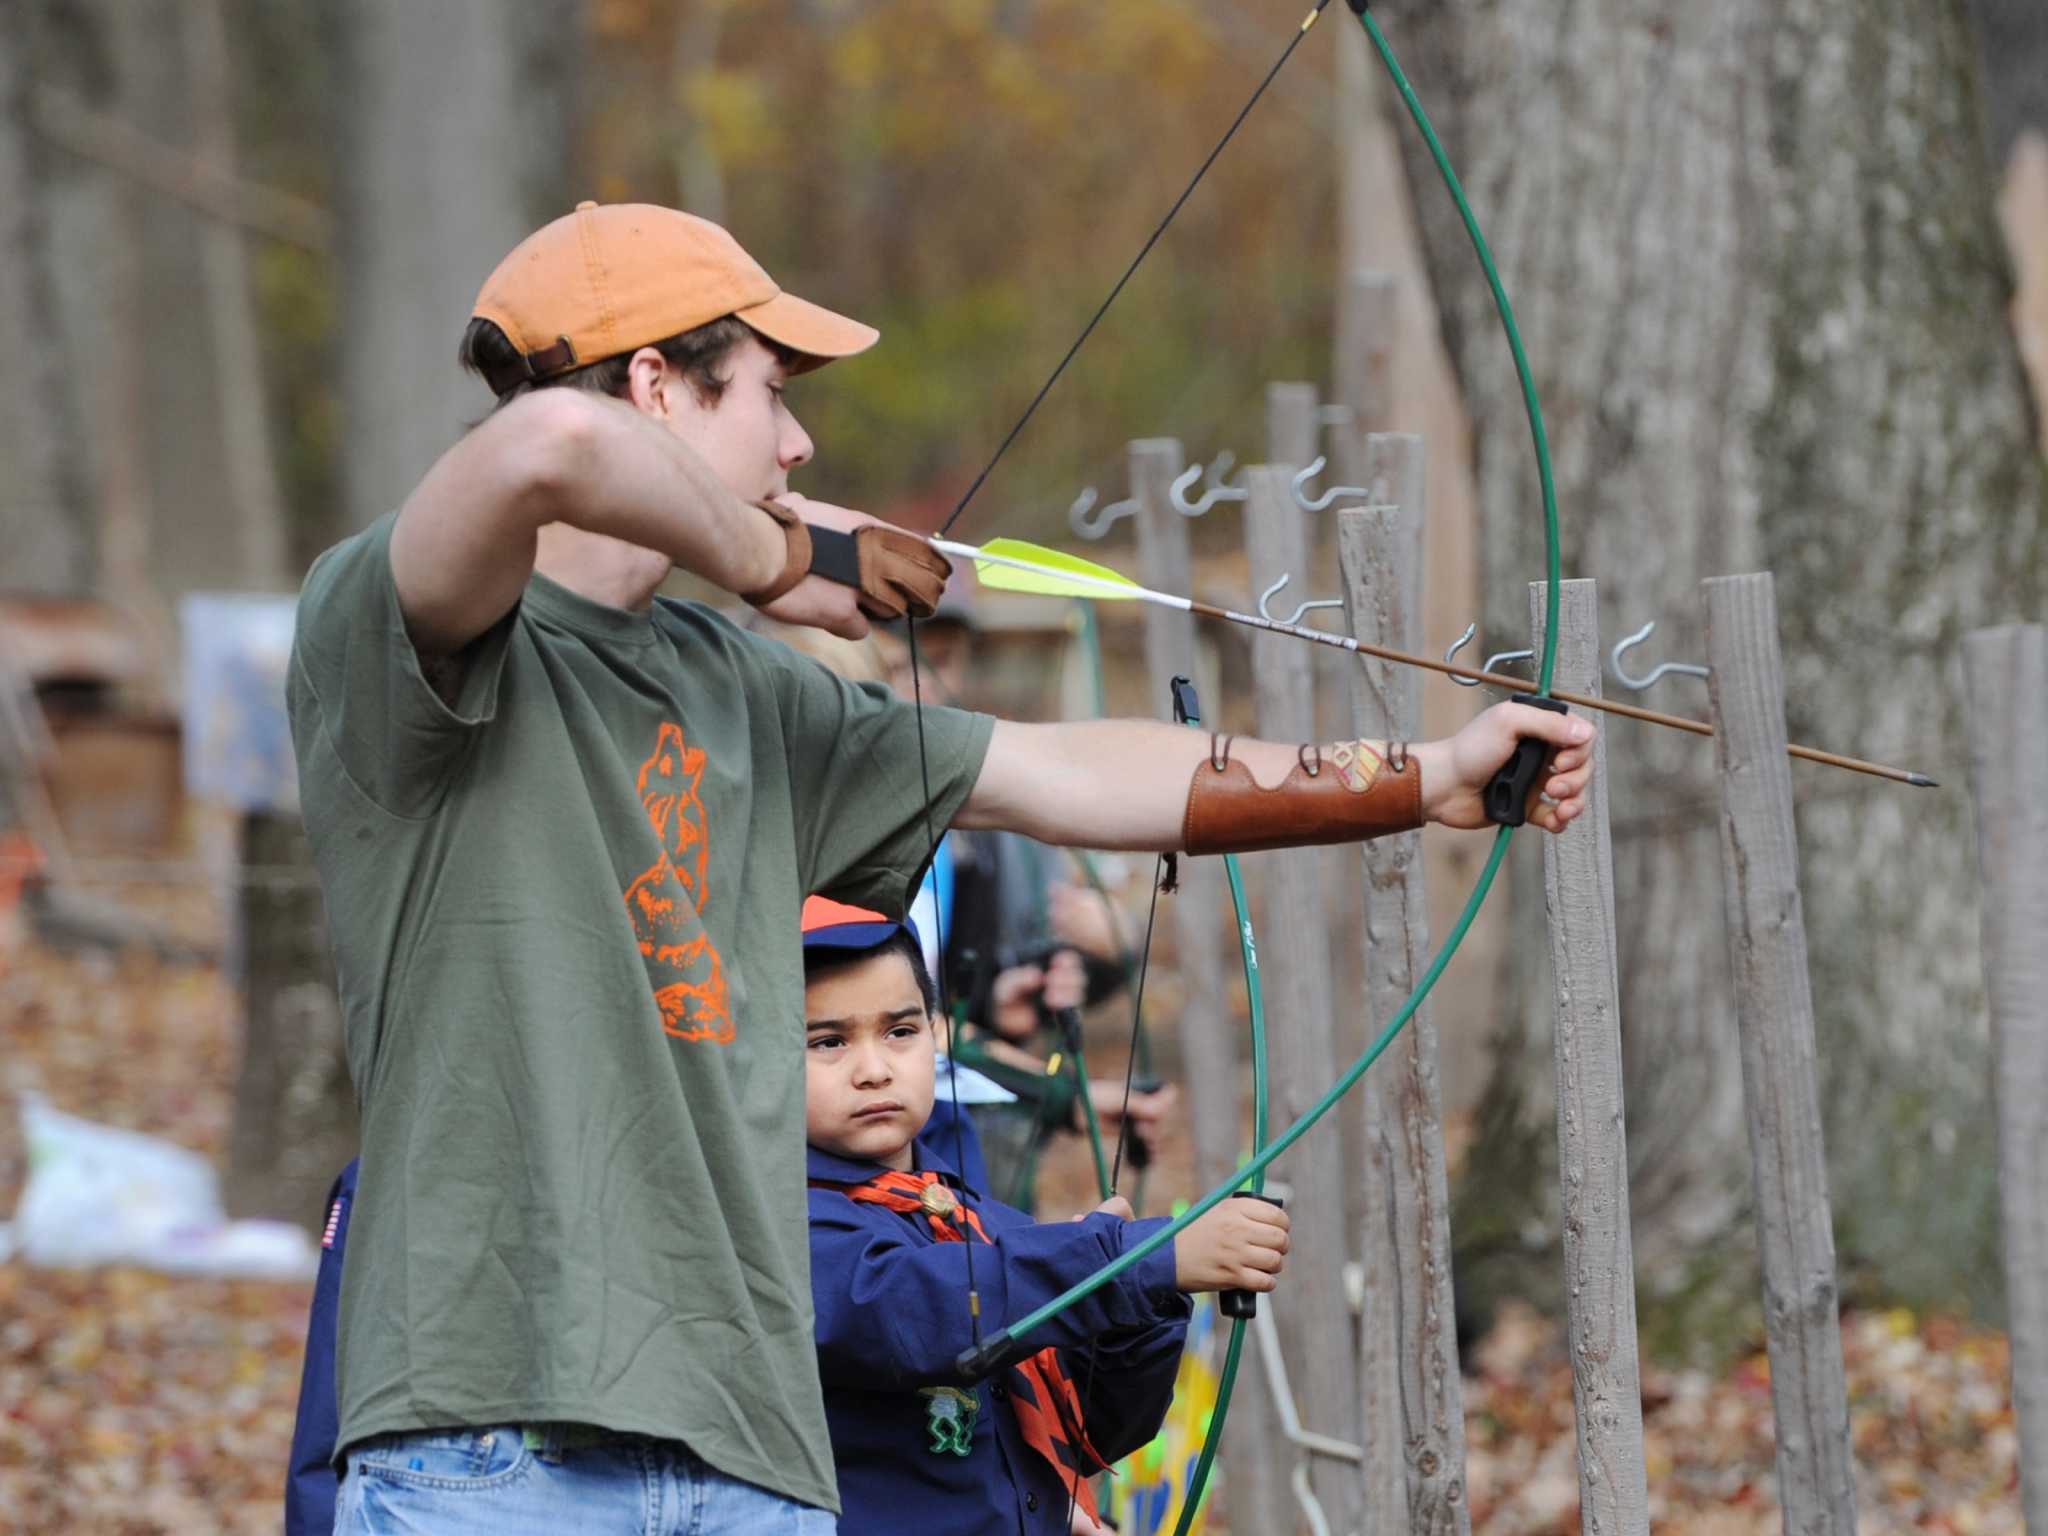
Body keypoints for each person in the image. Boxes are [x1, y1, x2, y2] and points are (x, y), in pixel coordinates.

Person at [287, 199, 1596, 1534]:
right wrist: (780, 554)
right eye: (770, 394)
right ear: (653, 387)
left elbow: (1061, 775)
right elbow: (550, 447)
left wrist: (1420, 778)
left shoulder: (736, 688)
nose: (798, 442)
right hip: (496, 1450)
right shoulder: (397, 636)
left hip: (749, 1449)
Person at [798, 897, 1285, 1536]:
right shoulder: (782, 1225)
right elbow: (920, 1309)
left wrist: (1137, 1309)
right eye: (827, 1041)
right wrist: (1128, 1260)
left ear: (936, 1033)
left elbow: (1098, 1430)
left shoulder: (981, 1220)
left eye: (901, 1031)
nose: (873, 1070)